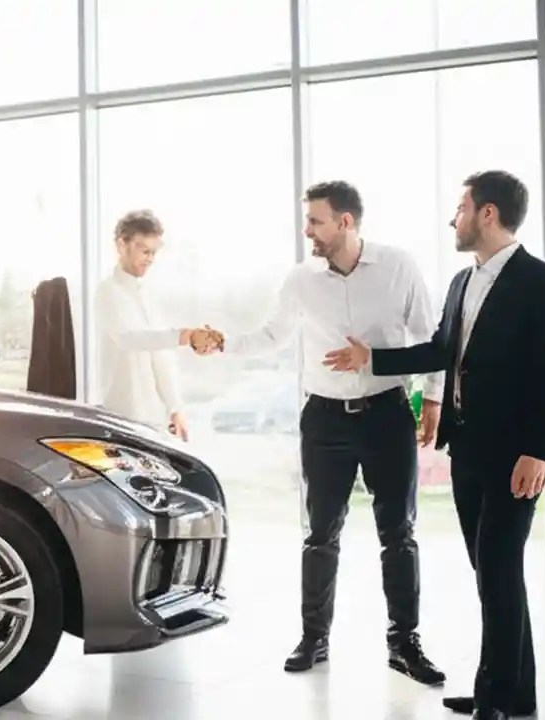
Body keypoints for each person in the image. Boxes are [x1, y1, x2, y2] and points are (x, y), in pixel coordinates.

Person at [324, 171, 545, 720]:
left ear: (488, 214)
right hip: (468, 451)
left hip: (516, 460)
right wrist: (377, 359)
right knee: (493, 575)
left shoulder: (544, 281)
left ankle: (494, 698)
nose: (452, 218)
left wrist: (542, 450)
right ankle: (515, 693)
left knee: (499, 570)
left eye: (460, 208)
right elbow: (442, 349)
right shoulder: (463, 282)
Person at [192, 181, 447, 684]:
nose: (307, 230)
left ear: (345, 222)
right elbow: (271, 335)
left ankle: (404, 643)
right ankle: (315, 638)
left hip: (387, 416)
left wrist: (432, 399)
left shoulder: (399, 267)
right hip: (325, 419)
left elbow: (430, 338)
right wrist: (223, 344)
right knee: (320, 534)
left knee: (399, 534)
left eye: (315, 221)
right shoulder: (300, 279)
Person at [94, 210, 203, 440]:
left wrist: (175, 408)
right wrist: (182, 336)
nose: (150, 259)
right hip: (121, 417)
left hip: (154, 421)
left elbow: (161, 356)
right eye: (144, 251)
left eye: (154, 252)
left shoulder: (149, 295)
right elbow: (129, 338)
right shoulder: (108, 292)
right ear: (121, 245)